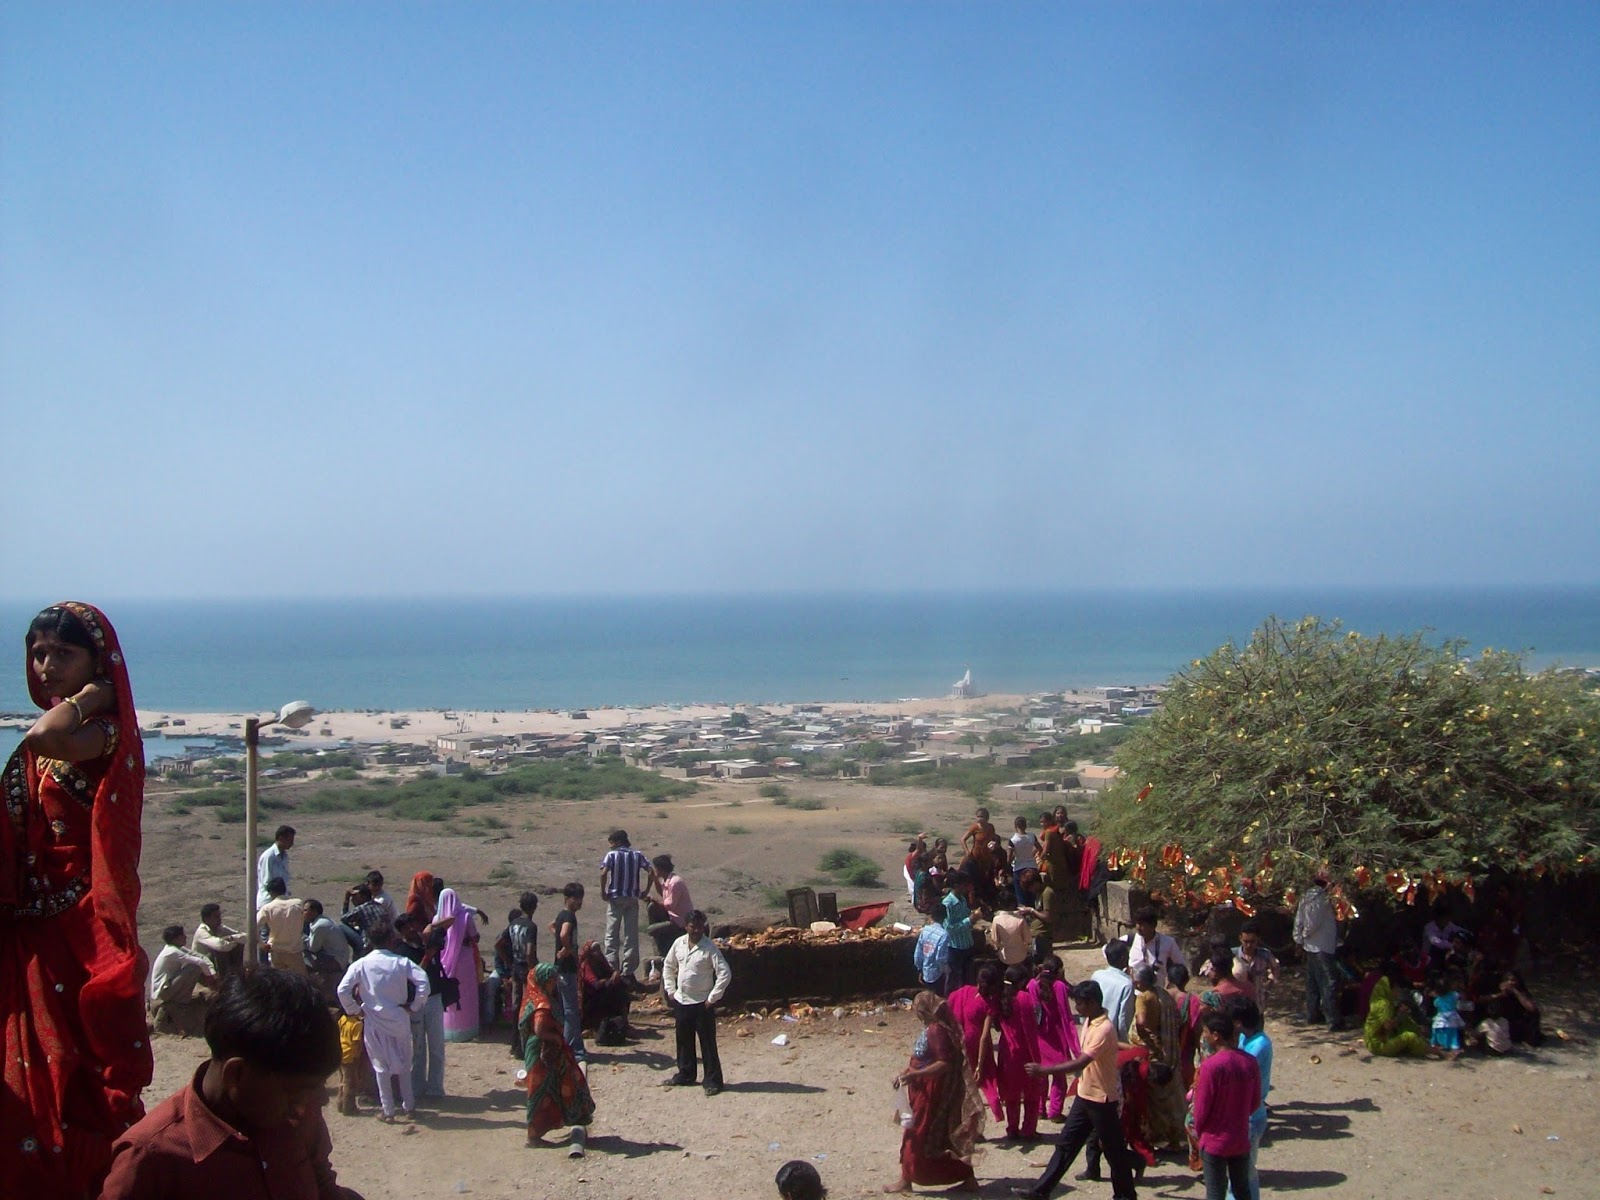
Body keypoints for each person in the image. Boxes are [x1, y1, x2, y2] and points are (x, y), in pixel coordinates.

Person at [1, 603, 154, 1198]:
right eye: (38, 654)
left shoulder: (103, 733)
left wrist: (93, 696)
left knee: (76, 1060)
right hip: (29, 926)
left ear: (98, 662)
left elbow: (46, 736)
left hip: (80, 925)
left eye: (63, 654)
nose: (45, 666)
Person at [99, 968, 362, 1200]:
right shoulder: (150, 1156)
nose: (306, 1107)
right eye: (295, 1093)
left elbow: (320, 1180)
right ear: (235, 1074)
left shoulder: (297, 1112)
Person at [1015, 980, 1137, 1200]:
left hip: (1102, 1099)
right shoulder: (1090, 1021)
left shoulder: (1104, 1028)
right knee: (1065, 1145)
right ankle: (1040, 1191)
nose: (1077, 1008)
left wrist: (1044, 1071)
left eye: (1079, 1003)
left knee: (1114, 1152)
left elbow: (1081, 1062)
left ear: (1091, 1003)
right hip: (1085, 1095)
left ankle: (1126, 1195)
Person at [885, 991, 982, 1193]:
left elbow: (943, 1063)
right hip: (921, 1086)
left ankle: (913, 1177)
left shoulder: (936, 1031)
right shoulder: (932, 1028)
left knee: (918, 1135)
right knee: (920, 1133)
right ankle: (908, 1177)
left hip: (931, 1092)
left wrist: (915, 1075)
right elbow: (921, 1059)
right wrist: (904, 1074)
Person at [336, 919, 430, 1123]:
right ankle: (409, 1106)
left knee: (380, 1067)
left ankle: (388, 1111)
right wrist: (414, 1006)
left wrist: (355, 1010)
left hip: (373, 1019)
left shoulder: (361, 964)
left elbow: (342, 990)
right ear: (391, 940)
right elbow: (423, 981)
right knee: (405, 1063)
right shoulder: (401, 962)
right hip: (399, 1017)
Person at [519, 963, 596, 1157]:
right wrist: (554, 1038)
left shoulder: (532, 997)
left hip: (537, 1049)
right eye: (552, 980)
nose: (555, 984)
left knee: (550, 1088)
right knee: (539, 1092)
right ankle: (534, 1135)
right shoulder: (542, 1003)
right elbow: (539, 1029)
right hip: (542, 1051)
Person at [662, 909, 731, 1095]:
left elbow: (724, 973)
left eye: (700, 927)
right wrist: (670, 990)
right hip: (682, 1001)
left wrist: (712, 998)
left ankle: (712, 1081)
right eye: (693, 926)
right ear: (686, 926)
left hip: (702, 1002)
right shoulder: (679, 944)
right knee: (683, 1040)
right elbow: (668, 966)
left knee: (707, 1043)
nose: (696, 930)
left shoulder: (709, 948)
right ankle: (685, 1074)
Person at [1192, 1010, 1259, 1200]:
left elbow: (1202, 1108)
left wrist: (1200, 1131)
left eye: (1206, 1032)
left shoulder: (1211, 1066)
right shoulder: (1249, 1062)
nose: (1204, 1037)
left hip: (1214, 1141)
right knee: (1242, 1190)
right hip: (1239, 1137)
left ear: (1216, 1036)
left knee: (1215, 1193)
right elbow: (1254, 1102)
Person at [393, 912, 446, 1100]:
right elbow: (414, 977)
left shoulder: (427, 942)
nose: (413, 929)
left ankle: (435, 1088)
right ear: (401, 932)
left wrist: (431, 929)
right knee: (418, 1048)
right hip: (415, 1002)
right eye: (408, 928)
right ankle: (417, 1089)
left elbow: (445, 926)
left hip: (434, 998)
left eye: (414, 925)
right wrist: (427, 957)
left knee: (437, 1045)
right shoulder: (401, 951)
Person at [1132, 967, 1186, 1151]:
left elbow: (1140, 1021)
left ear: (1139, 981)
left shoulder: (1143, 997)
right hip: (1169, 1051)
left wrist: (1145, 1037)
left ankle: (1154, 1137)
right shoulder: (1163, 994)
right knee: (1171, 1097)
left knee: (1153, 1099)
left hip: (1153, 1053)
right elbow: (1178, 1019)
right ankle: (1174, 1139)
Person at [988, 965, 1044, 1141]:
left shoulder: (1000, 998)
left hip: (1007, 1051)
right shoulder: (1023, 998)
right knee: (1031, 1094)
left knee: (1011, 1094)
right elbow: (1029, 1031)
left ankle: (1012, 1128)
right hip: (1024, 1052)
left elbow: (996, 1025)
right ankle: (1028, 1129)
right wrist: (1037, 1059)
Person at [1226, 997, 1272, 1200]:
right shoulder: (1246, 1039)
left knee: (1246, 1170)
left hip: (1251, 1115)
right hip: (1242, 1113)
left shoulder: (1260, 1044)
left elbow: (1239, 1066)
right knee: (1235, 1169)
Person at [1028, 956, 1080, 1123]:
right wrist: (1075, 1047)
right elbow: (1066, 1016)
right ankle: (1055, 1111)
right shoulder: (1059, 987)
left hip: (1039, 1036)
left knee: (1041, 1075)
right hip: (1057, 1037)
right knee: (1059, 1075)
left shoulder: (1032, 985)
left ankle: (1040, 1109)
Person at [599, 829, 655, 983]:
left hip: (616, 898)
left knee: (612, 934)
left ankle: (612, 967)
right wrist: (646, 890)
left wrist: (603, 891)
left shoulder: (611, 855)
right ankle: (628, 971)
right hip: (632, 897)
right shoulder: (637, 855)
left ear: (617, 842)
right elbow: (651, 871)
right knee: (631, 935)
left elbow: (603, 873)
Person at [433, 885, 482, 1042]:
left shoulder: (436, 919)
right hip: (464, 958)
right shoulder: (465, 917)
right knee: (466, 993)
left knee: (448, 994)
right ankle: (468, 1028)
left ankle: (448, 1028)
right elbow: (475, 937)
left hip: (443, 960)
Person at [149, 924, 217, 1027]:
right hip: (164, 992)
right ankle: (181, 1001)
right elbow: (199, 962)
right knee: (194, 967)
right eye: (182, 936)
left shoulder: (177, 948)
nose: (185, 937)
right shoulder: (172, 951)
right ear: (176, 939)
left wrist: (212, 972)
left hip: (169, 987)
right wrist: (211, 979)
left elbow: (200, 957)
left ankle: (182, 999)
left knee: (197, 965)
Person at [1363, 965, 1434, 1058]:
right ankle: (1436, 1052)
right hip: (1380, 1045)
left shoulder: (1379, 1001)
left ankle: (1423, 1043)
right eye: (1396, 989)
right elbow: (1387, 1027)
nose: (1398, 991)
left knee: (1407, 1023)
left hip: (1373, 1043)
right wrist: (1400, 1016)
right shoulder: (1384, 1005)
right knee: (1409, 1036)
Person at [552, 882, 587, 1062]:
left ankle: (575, 1046)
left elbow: (553, 927)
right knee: (571, 1010)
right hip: (566, 969)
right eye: (576, 898)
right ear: (567, 899)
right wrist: (568, 949)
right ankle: (568, 1049)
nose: (579, 902)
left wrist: (563, 947)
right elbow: (564, 934)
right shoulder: (568, 917)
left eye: (580, 898)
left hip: (562, 968)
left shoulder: (562, 915)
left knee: (568, 1009)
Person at [503, 892, 539, 1057]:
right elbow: (530, 952)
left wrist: (509, 962)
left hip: (515, 968)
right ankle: (526, 1047)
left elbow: (498, 943)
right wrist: (533, 970)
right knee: (528, 1007)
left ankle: (514, 1044)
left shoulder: (513, 923)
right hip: (526, 969)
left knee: (516, 1006)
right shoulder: (531, 927)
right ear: (534, 907)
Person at [646, 853, 692, 981]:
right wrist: (655, 880)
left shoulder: (676, 882)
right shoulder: (669, 881)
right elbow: (663, 893)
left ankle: (660, 957)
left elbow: (670, 904)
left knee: (652, 930)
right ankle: (661, 958)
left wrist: (653, 898)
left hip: (680, 921)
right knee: (652, 908)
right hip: (674, 917)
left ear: (659, 868)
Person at [578, 940, 633, 1043]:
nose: (597, 953)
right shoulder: (586, 966)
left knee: (621, 988)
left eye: (598, 950)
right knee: (615, 989)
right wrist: (608, 980)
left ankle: (624, 1022)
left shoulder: (601, 961)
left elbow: (610, 974)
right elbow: (596, 984)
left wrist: (615, 975)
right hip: (591, 1000)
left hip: (603, 993)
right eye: (594, 950)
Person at [304, 898, 355, 998]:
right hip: (338, 956)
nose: (303, 913)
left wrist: (301, 937)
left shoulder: (320, 926)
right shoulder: (322, 921)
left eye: (305, 910)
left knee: (304, 960)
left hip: (336, 960)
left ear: (314, 911)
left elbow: (313, 948)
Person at [257, 876, 308, 974]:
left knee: (279, 981)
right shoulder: (297, 903)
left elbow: (254, 926)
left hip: (276, 950)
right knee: (301, 981)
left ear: (271, 892)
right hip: (294, 950)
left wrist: (261, 944)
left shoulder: (268, 908)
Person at [1128, 907, 1184, 988]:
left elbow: (1180, 965)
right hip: (1135, 992)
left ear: (1153, 925)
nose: (1138, 927)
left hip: (1157, 991)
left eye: (1141, 924)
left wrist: (1172, 979)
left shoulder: (1168, 942)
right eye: (1137, 923)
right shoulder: (1131, 939)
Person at [1092, 938, 1136, 1040]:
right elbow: (1123, 1019)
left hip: (1094, 1030)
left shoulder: (1097, 975)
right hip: (1112, 1037)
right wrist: (1126, 1042)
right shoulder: (1127, 985)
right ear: (1122, 957)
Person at [191, 903, 248, 978]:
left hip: (214, 964)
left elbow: (246, 937)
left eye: (219, 916)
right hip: (204, 969)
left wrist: (232, 938)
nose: (219, 919)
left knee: (238, 945)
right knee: (220, 951)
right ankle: (224, 979)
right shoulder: (202, 932)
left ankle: (236, 975)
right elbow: (220, 946)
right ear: (206, 919)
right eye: (216, 917)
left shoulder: (220, 928)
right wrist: (233, 941)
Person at [942, 869, 977, 989]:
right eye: (964, 885)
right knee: (954, 979)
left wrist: (973, 917)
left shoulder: (962, 900)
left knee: (968, 979)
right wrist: (969, 921)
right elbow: (949, 928)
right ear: (956, 886)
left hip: (967, 943)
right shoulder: (948, 904)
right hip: (955, 947)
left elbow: (966, 916)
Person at [256, 825, 294, 909]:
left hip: (280, 903)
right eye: (290, 840)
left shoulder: (284, 856)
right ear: (281, 838)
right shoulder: (269, 856)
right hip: (268, 903)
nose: (292, 843)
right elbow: (267, 881)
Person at [914, 914, 951, 995]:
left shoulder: (925, 930)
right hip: (937, 974)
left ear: (931, 917)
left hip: (925, 971)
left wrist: (919, 969)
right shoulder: (944, 934)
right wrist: (946, 970)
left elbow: (918, 953)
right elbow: (940, 958)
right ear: (945, 918)